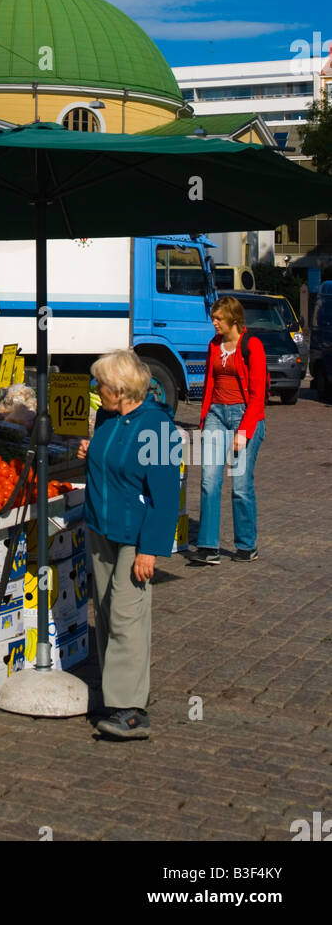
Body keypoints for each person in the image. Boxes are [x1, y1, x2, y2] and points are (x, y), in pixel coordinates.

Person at [76, 350, 181, 740]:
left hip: (135, 536)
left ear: (120, 389)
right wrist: (90, 454)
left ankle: (131, 710)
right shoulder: (108, 418)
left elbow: (167, 495)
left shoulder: (159, 427)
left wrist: (150, 549)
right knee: (104, 611)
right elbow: (111, 461)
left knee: (125, 613)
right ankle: (114, 695)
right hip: (101, 528)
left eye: (100, 384)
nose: (95, 389)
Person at [189, 294, 266, 566]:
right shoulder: (214, 345)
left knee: (240, 485)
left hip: (245, 416)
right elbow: (209, 382)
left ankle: (247, 545)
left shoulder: (252, 345)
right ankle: (209, 547)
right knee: (210, 480)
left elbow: (258, 396)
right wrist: (203, 419)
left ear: (233, 319)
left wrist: (243, 431)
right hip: (216, 416)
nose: (214, 322)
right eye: (213, 318)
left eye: (218, 318)